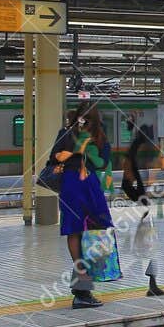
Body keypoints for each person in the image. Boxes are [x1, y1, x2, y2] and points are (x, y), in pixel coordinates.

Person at [55, 104, 114, 309]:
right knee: (94, 232)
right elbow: (103, 163)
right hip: (88, 187)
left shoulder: (67, 134)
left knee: (76, 231)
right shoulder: (99, 137)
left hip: (71, 186)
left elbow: (54, 156)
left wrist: (73, 152)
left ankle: (82, 284)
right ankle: (82, 288)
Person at [121, 115, 164, 297]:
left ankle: (152, 283)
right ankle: (152, 284)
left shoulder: (134, 151)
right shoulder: (145, 152)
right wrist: (143, 200)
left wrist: (139, 199)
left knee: (147, 246)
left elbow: (127, 184)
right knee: (151, 246)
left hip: (142, 206)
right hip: (146, 207)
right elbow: (148, 177)